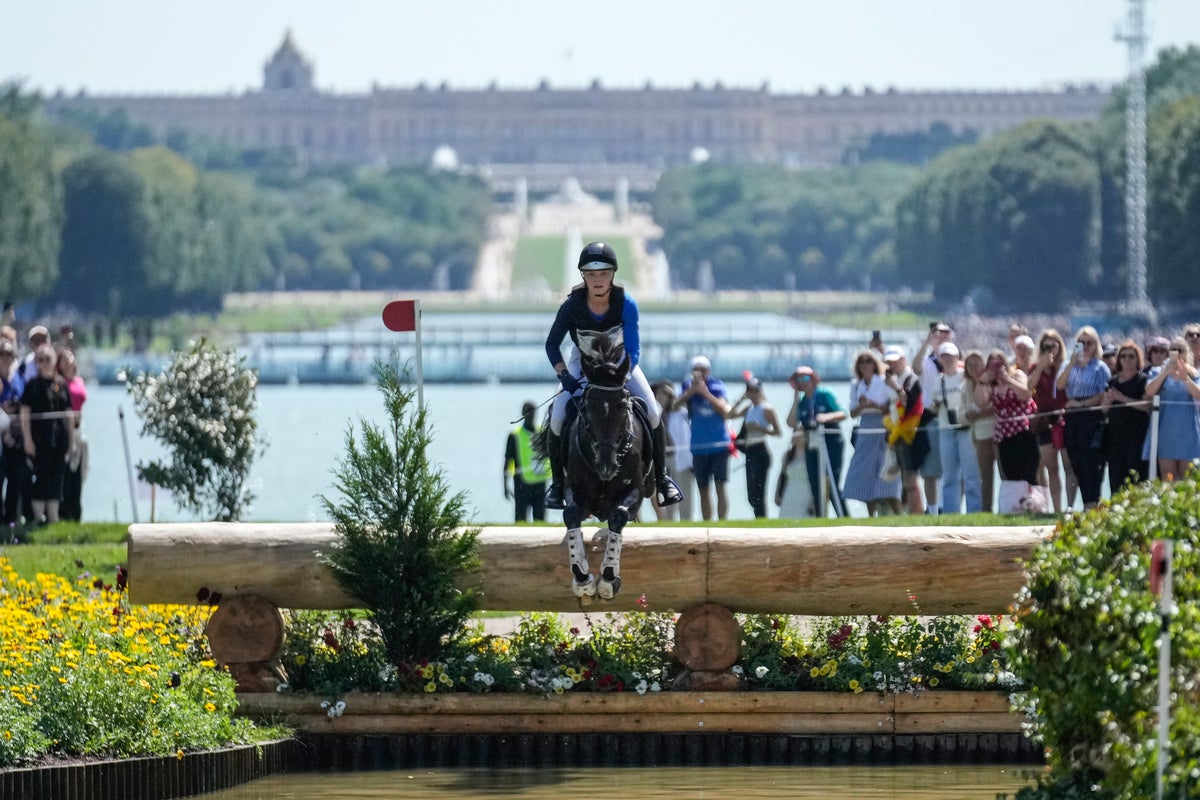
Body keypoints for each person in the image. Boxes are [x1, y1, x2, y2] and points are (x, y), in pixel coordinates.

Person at [543, 242, 682, 510]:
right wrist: (564, 376)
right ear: (583, 276)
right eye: (591, 274)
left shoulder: (626, 304)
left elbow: (633, 348)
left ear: (613, 274)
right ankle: (558, 485)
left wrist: (625, 374)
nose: (598, 280)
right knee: (558, 415)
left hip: (621, 364)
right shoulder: (571, 307)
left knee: (652, 411)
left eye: (603, 273)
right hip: (582, 365)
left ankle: (663, 479)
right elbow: (552, 345)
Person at [1057, 326, 1110, 509]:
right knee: (1076, 463)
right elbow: (1060, 385)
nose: (1086, 346)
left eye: (1090, 343)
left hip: (1091, 417)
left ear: (1096, 345)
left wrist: (1082, 404)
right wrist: (1072, 362)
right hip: (1072, 419)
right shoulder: (1068, 365)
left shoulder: (1100, 367)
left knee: (1091, 464)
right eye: (1082, 343)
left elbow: (1103, 393)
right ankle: (1083, 503)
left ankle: (1092, 502)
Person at [843, 349, 901, 516]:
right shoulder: (856, 385)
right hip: (865, 428)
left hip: (883, 426)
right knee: (866, 471)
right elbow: (853, 412)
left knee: (886, 470)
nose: (865, 365)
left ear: (874, 364)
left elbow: (889, 407)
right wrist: (863, 406)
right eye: (862, 362)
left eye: (868, 361)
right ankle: (871, 514)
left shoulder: (883, 381)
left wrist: (872, 404)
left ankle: (897, 512)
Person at [19, 344, 73, 525]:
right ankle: (37, 518)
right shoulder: (32, 385)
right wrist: (27, 440)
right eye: (39, 360)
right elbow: (25, 413)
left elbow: (69, 414)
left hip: (59, 441)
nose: (43, 363)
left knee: (57, 478)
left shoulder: (62, 384)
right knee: (40, 478)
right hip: (39, 440)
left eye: (47, 358)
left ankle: (53, 518)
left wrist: (72, 441)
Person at [674, 355, 732, 521]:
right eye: (696, 370)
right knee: (703, 489)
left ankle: (722, 522)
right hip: (698, 446)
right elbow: (675, 406)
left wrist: (705, 393)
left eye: (703, 370)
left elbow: (724, 409)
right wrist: (691, 391)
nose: (700, 373)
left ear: (709, 370)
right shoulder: (687, 387)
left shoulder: (717, 386)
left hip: (719, 444)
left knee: (720, 486)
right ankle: (707, 522)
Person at [785, 365, 847, 516]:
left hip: (831, 441)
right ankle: (821, 517)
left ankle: (843, 515)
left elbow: (843, 413)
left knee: (831, 481)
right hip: (811, 443)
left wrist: (827, 417)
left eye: (805, 378)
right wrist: (795, 398)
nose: (802, 382)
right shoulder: (802, 401)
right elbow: (791, 422)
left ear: (813, 379)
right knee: (815, 482)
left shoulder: (824, 394)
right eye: (798, 379)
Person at [1026, 329, 1071, 513]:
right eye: (1046, 346)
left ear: (1060, 346)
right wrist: (1040, 366)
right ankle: (1055, 509)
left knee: (1068, 467)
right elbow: (1028, 388)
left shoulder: (1065, 366)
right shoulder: (1035, 367)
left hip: (1063, 418)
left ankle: (1067, 508)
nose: (1050, 349)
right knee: (1051, 467)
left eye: (1053, 345)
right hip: (1044, 420)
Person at [1142, 338, 1200, 482]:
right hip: (1166, 432)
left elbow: (1198, 394)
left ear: (1187, 353)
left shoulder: (1194, 373)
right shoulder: (1158, 371)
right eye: (1175, 350)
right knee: (1169, 480)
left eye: (1181, 350)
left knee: (1188, 481)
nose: (1178, 354)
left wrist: (1185, 378)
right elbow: (1150, 391)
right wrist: (1166, 372)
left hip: (1189, 432)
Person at [932, 343, 981, 513]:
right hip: (946, 428)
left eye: (950, 356)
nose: (947, 359)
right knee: (949, 475)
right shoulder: (938, 380)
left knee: (971, 474)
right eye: (944, 356)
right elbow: (933, 406)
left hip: (966, 427)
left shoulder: (965, 377)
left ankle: (974, 510)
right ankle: (950, 512)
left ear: (957, 357)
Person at [882, 345, 930, 514]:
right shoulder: (895, 378)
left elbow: (907, 401)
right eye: (889, 362)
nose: (891, 365)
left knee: (910, 477)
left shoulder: (910, 378)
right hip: (898, 429)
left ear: (903, 360)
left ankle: (917, 511)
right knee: (906, 476)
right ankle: (913, 510)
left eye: (894, 361)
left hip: (910, 431)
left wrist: (895, 386)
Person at [729, 376, 781, 518]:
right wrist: (740, 400)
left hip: (761, 450)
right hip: (750, 451)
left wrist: (760, 428)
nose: (753, 393)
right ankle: (758, 518)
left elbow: (778, 432)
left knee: (759, 492)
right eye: (750, 390)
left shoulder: (767, 409)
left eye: (755, 390)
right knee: (751, 494)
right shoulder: (749, 408)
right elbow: (730, 415)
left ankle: (762, 519)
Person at [1100, 340, 1149, 492]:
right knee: (1116, 479)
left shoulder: (1143, 380)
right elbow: (1103, 409)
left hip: (1137, 437)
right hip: (1115, 437)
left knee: (1136, 478)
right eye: (1124, 356)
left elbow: (1147, 406)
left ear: (1137, 359)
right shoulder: (1113, 381)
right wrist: (1108, 401)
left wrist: (1123, 399)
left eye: (1131, 356)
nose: (1127, 360)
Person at [988, 350, 1039, 487]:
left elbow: (1026, 394)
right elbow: (980, 402)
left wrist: (1008, 380)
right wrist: (984, 380)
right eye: (992, 364)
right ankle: (1015, 505)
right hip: (1003, 434)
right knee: (1010, 473)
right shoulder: (990, 384)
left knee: (1028, 472)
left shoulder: (1017, 375)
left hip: (1023, 430)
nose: (996, 367)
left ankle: (1034, 504)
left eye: (999, 363)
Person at [652, 380, 693, 521]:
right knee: (666, 492)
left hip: (679, 457)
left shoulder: (679, 411)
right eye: (659, 394)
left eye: (665, 394)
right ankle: (668, 522)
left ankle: (686, 521)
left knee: (684, 492)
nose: (662, 398)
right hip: (662, 458)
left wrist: (671, 394)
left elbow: (678, 403)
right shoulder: (654, 413)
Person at [503, 401, 549, 523]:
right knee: (521, 519)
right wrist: (505, 485)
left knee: (540, 520)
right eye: (528, 412)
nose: (530, 415)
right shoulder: (514, 435)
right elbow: (508, 460)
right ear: (523, 414)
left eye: (532, 412)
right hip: (521, 482)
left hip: (540, 481)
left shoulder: (542, 432)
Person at [961, 350, 995, 512]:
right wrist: (973, 414)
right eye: (970, 365)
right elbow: (962, 414)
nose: (974, 368)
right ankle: (986, 509)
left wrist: (981, 413)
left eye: (977, 364)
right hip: (979, 435)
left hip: (998, 431)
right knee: (985, 477)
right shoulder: (966, 387)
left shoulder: (993, 381)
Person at [57, 349, 88, 522]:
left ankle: (76, 515)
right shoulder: (58, 383)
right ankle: (64, 514)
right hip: (64, 432)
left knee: (79, 472)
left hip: (79, 430)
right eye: (64, 358)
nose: (68, 360)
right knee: (66, 474)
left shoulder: (79, 381)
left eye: (70, 356)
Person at [0, 339, 24, 525]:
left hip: (16, 436)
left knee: (16, 479)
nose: (5, 357)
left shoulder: (18, 378)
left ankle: (11, 520)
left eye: (9, 354)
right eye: (1, 353)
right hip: (1, 437)